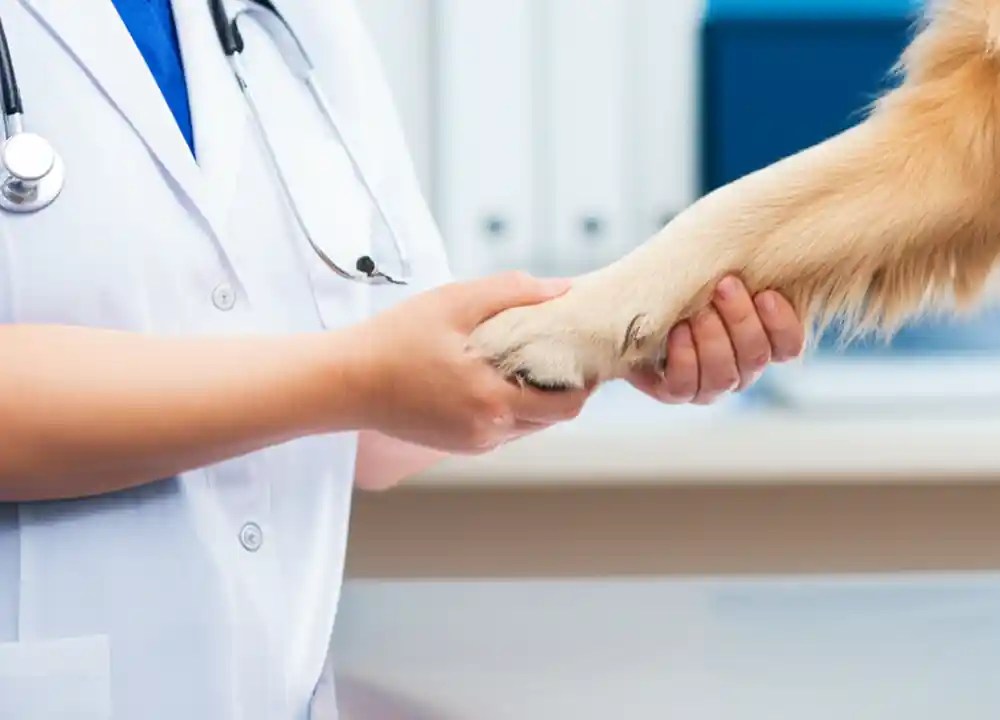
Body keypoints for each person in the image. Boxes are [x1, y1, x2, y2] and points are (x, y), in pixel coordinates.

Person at [0, 1, 804, 717]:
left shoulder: (300, 20)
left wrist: (609, 332)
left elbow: (373, 434)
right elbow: (359, 382)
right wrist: (354, 379)